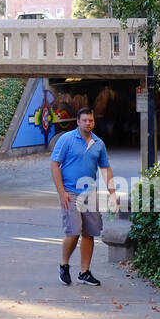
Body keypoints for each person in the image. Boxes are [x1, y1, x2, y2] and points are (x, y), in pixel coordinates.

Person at [50, 108, 115, 286]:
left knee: (89, 233)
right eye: (85, 120)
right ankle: (64, 265)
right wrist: (61, 192)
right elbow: (55, 165)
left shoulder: (98, 143)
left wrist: (112, 194)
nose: (88, 123)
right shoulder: (66, 139)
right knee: (73, 232)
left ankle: (84, 272)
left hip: (90, 193)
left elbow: (105, 168)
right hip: (70, 192)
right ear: (78, 121)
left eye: (91, 120)